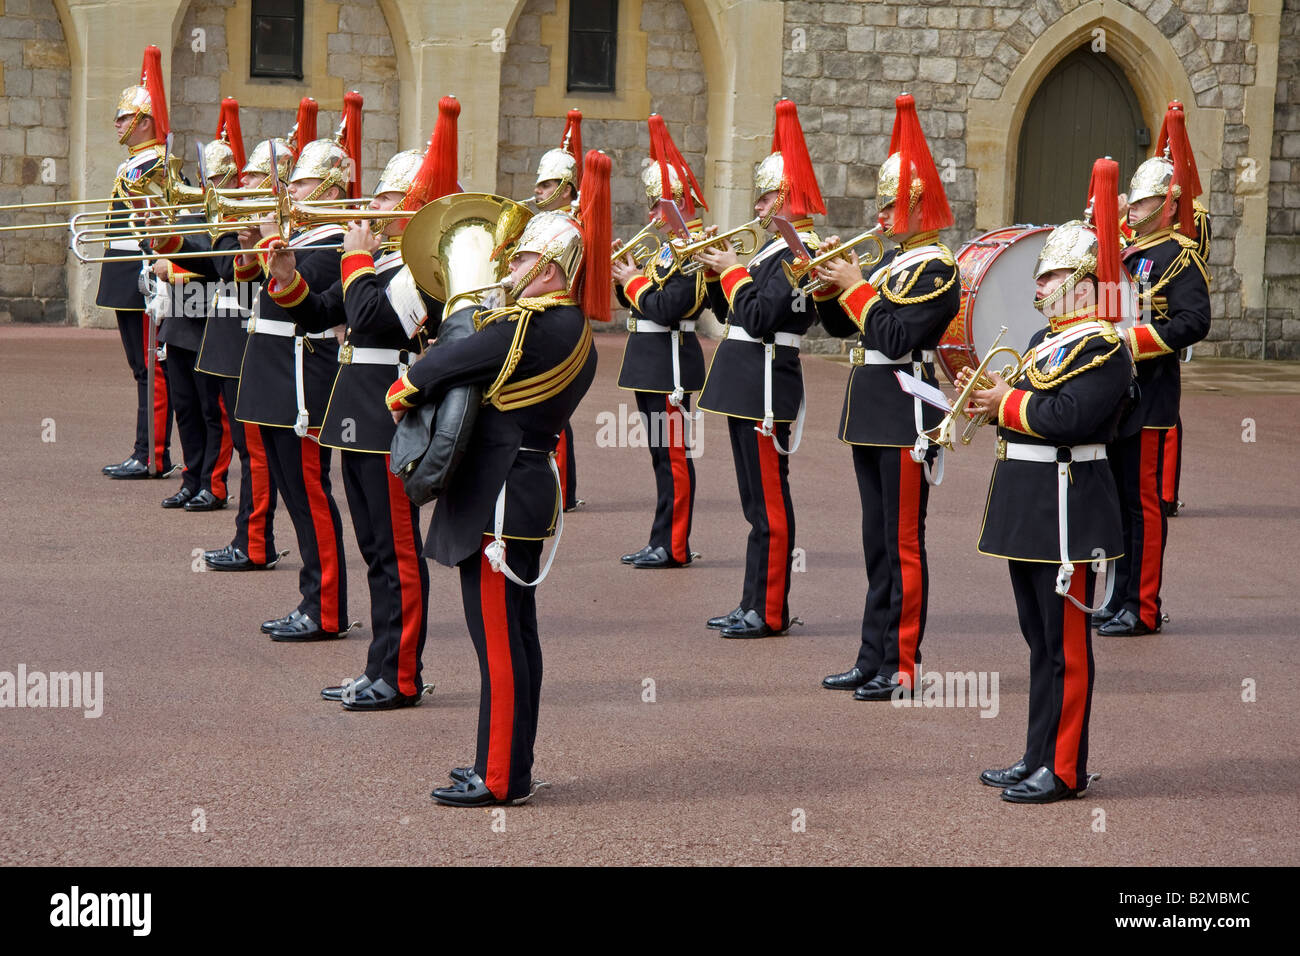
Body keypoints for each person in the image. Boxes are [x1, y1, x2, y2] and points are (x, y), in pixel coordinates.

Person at [386, 151, 610, 806]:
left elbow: (460, 356)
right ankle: (501, 760)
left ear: (547, 268)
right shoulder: (568, 329)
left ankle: (502, 777)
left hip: (501, 495)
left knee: (501, 645)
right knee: (514, 639)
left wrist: (409, 383)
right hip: (520, 484)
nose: (506, 269)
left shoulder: (540, 324)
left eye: (517, 261)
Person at [268, 97, 462, 708]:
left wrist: (354, 254)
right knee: (375, 549)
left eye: (383, 200)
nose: (369, 207)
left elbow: (374, 318)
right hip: (356, 415)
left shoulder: (424, 269)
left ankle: (400, 675)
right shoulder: (381, 260)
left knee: (398, 552)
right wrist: (285, 275)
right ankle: (379, 666)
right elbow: (320, 314)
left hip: (390, 423)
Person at [963, 158, 1132, 803]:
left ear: (1087, 283)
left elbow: (1069, 417)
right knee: (1038, 643)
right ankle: (1035, 754)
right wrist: (983, 402)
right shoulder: (1043, 341)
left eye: (1055, 274)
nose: (1042, 283)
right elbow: (1025, 411)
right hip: (1030, 505)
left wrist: (1003, 402)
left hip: (1068, 512)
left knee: (1067, 649)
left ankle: (1064, 769)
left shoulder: (1102, 348)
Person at [811, 93, 959, 700]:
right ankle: (870, 655)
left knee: (902, 545)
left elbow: (896, 336)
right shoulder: (892, 263)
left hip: (905, 412)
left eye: (889, 203)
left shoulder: (936, 268)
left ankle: (901, 665)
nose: (880, 213)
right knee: (874, 544)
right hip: (870, 409)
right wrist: (828, 285)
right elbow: (848, 328)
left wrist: (855, 285)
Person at [233, 94, 364, 642]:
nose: (292, 191)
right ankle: (312, 599)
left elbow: (303, 289)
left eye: (304, 185)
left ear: (331, 192)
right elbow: (249, 284)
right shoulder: (304, 236)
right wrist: (249, 245)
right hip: (274, 378)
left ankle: (326, 606)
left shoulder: (333, 242)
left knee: (310, 495)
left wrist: (265, 241)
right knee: (293, 495)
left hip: (302, 382)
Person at [694, 98, 823, 639]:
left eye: (769, 194)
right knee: (755, 504)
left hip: (768, 382)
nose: (760, 203)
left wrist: (731, 272)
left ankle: (769, 609)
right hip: (747, 380)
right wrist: (713, 271)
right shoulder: (771, 251)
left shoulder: (799, 251)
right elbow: (732, 314)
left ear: (790, 198)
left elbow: (761, 314)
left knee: (769, 505)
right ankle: (752, 601)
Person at [1097, 103, 1211, 637]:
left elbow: (1194, 322)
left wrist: (1133, 340)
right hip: (1118, 396)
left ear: (1167, 205)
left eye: (1145, 200)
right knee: (1118, 506)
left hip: (1152, 397)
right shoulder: (1129, 252)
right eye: (1134, 199)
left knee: (1143, 509)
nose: (1136, 207)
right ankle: (1118, 596)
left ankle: (1142, 606)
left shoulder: (1179, 256)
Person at [194, 112, 303, 571]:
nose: (248, 181)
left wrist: (259, 242)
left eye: (259, 175)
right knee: (249, 450)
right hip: (242, 345)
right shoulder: (260, 223)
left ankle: (254, 542)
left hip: (268, 354)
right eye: (251, 173)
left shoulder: (293, 228)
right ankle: (248, 536)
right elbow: (240, 279)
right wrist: (245, 245)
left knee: (256, 454)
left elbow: (274, 289)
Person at [611, 113, 707, 570]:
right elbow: (638, 303)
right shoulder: (663, 249)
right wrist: (624, 273)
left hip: (671, 364)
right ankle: (660, 538)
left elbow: (670, 307)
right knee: (659, 459)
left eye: (658, 206)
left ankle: (675, 543)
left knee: (673, 459)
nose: (651, 216)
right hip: (650, 362)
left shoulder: (696, 248)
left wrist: (632, 281)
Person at [100, 46, 173, 480]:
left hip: (142, 277)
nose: (117, 123)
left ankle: (152, 454)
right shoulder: (134, 164)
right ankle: (145, 450)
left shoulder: (154, 166)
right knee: (141, 369)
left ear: (145, 121)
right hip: (125, 274)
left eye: (124, 117)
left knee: (152, 369)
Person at [531, 109, 585, 511]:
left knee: (554, 408)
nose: (539, 191)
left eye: (548, 184)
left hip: (558, 317)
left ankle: (559, 490)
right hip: (540, 316)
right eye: (539, 184)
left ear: (566, 188)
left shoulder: (568, 227)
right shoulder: (547, 221)